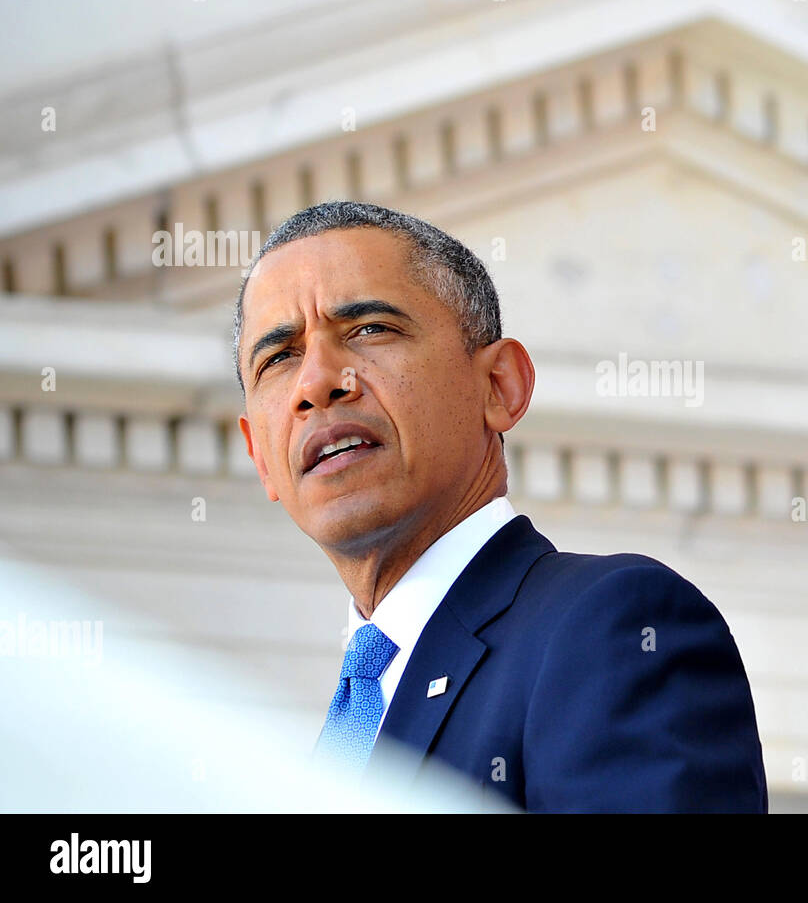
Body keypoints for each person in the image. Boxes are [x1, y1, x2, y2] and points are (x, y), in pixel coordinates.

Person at [233, 201, 767, 812]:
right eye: (278, 358)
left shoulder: (610, 627)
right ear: (260, 458)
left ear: (499, 387)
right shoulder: (342, 728)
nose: (317, 383)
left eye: (369, 329)